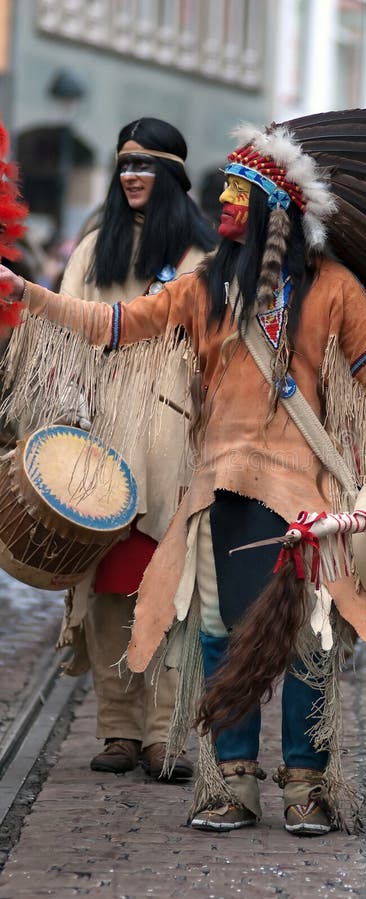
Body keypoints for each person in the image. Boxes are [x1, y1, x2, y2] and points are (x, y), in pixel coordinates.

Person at [0, 109, 366, 835]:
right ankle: (231, 783)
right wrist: (27, 293)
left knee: (308, 638)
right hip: (218, 492)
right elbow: (115, 326)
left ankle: (305, 784)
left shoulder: (331, 291)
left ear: (274, 211)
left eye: (240, 194)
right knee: (215, 635)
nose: (226, 207)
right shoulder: (204, 288)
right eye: (225, 191)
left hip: (308, 500)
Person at [55, 117, 216, 781]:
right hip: (100, 441)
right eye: (125, 166)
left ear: (172, 176)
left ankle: (162, 734)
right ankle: (118, 730)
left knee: (172, 585)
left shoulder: (204, 258)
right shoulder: (93, 250)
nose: (132, 177)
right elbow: (63, 336)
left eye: (146, 166)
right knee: (104, 585)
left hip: (176, 440)